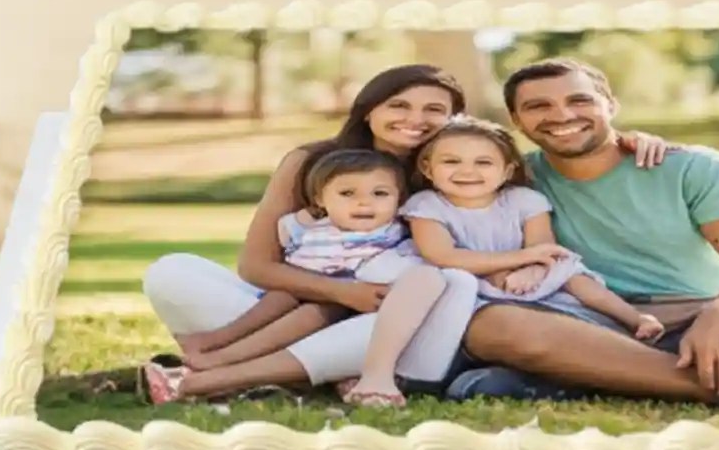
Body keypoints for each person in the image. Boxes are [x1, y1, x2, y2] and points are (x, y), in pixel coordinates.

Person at [140, 64, 672, 401]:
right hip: (303, 300)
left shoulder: (450, 172)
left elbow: (533, 163)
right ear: (370, 110)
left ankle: (245, 375)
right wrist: (342, 293)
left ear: (453, 119)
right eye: (399, 105)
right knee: (173, 272)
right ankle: (250, 364)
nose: (414, 119)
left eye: (434, 110)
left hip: (403, 322)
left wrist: (625, 138)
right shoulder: (314, 163)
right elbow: (257, 267)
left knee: (441, 286)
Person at [446, 58, 719, 412]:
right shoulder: (506, 178)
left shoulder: (691, 167)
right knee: (492, 326)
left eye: (579, 100)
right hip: (585, 327)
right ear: (517, 121)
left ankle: (579, 381)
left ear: (610, 106)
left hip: (705, 323)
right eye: (538, 106)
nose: (561, 115)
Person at [144, 149, 473, 408]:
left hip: (353, 321)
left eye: (380, 194)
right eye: (347, 193)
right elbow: (278, 259)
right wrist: (333, 287)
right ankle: (223, 348)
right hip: (301, 299)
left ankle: (219, 366)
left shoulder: (400, 233)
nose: (364, 202)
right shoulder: (310, 227)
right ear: (320, 200)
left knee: (320, 311)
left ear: (399, 201)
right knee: (285, 297)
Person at [402, 116, 666, 341]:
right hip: (473, 283)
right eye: (451, 162)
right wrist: (518, 262)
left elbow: (541, 247)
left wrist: (533, 268)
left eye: (483, 163)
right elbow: (442, 256)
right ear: (427, 168)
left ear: (507, 171)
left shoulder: (524, 200)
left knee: (572, 274)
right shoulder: (426, 206)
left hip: (530, 271)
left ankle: (635, 318)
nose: (467, 171)